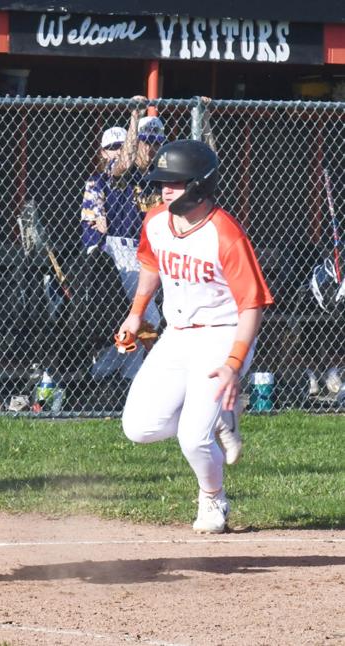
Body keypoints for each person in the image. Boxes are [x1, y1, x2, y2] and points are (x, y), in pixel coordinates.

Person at [118, 140, 273, 534]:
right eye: (162, 182)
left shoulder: (225, 234)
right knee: (139, 427)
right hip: (178, 333)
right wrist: (136, 315)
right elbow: (150, 264)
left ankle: (213, 498)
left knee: (192, 437)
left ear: (201, 187)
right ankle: (219, 417)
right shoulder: (155, 220)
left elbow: (251, 305)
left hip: (223, 334)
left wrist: (233, 365)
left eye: (176, 182)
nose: (165, 189)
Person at [80, 126, 162, 380]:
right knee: (146, 316)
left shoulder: (140, 180)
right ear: (103, 152)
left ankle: (114, 372)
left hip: (137, 253)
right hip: (107, 255)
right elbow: (95, 224)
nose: (117, 151)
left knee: (138, 318)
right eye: (112, 147)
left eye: (122, 145)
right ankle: (115, 371)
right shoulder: (100, 179)